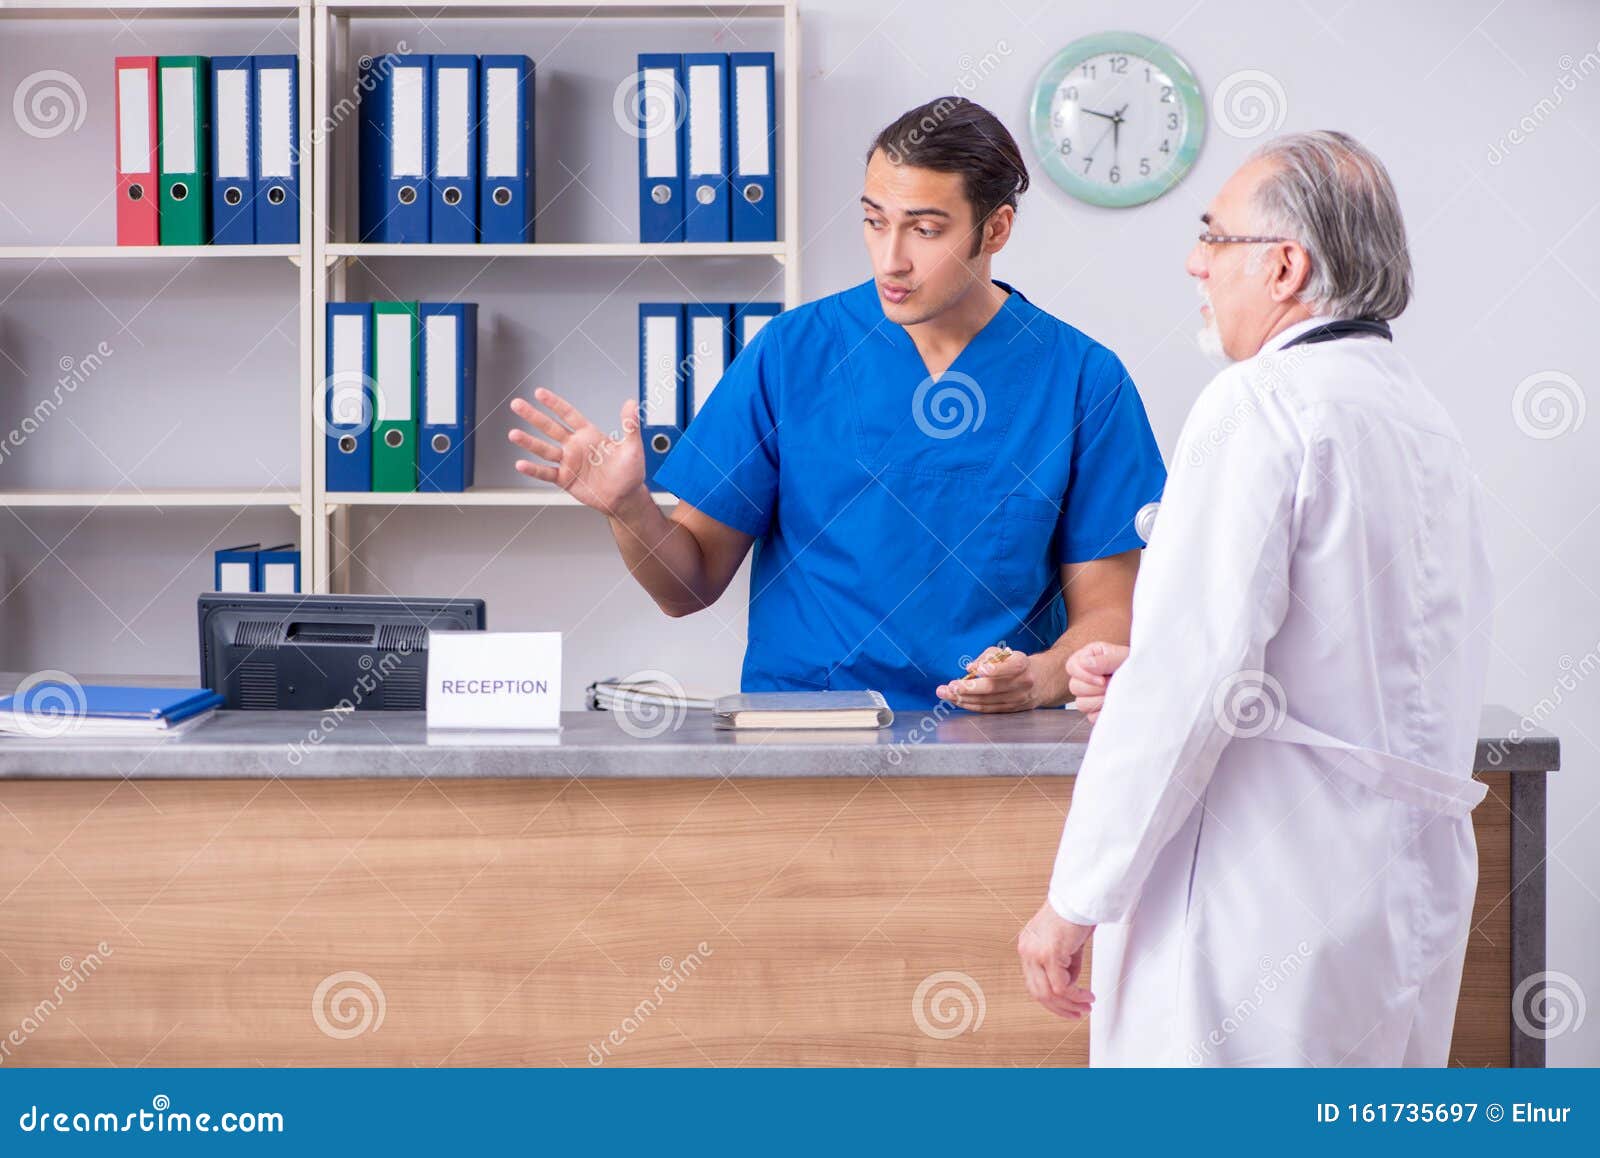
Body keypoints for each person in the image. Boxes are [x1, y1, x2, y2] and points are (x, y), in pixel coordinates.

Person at [1017, 130, 1493, 1066]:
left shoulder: (1260, 402)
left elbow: (1193, 681)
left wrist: (1076, 899)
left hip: (1260, 899)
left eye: (1213, 236)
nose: (1194, 263)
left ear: (1285, 266)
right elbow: (1373, 665)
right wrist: (1151, 667)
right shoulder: (1421, 418)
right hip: (1396, 897)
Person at [507, 98, 1165, 711]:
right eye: (875, 222)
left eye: (925, 230)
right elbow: (688, 588)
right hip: (806, 731)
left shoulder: (1082, 379)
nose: (891, 260)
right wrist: (629, 509)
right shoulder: (792, 353)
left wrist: (1036, 680)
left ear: (995, 229)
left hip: (988, 743)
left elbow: (1110, 614)